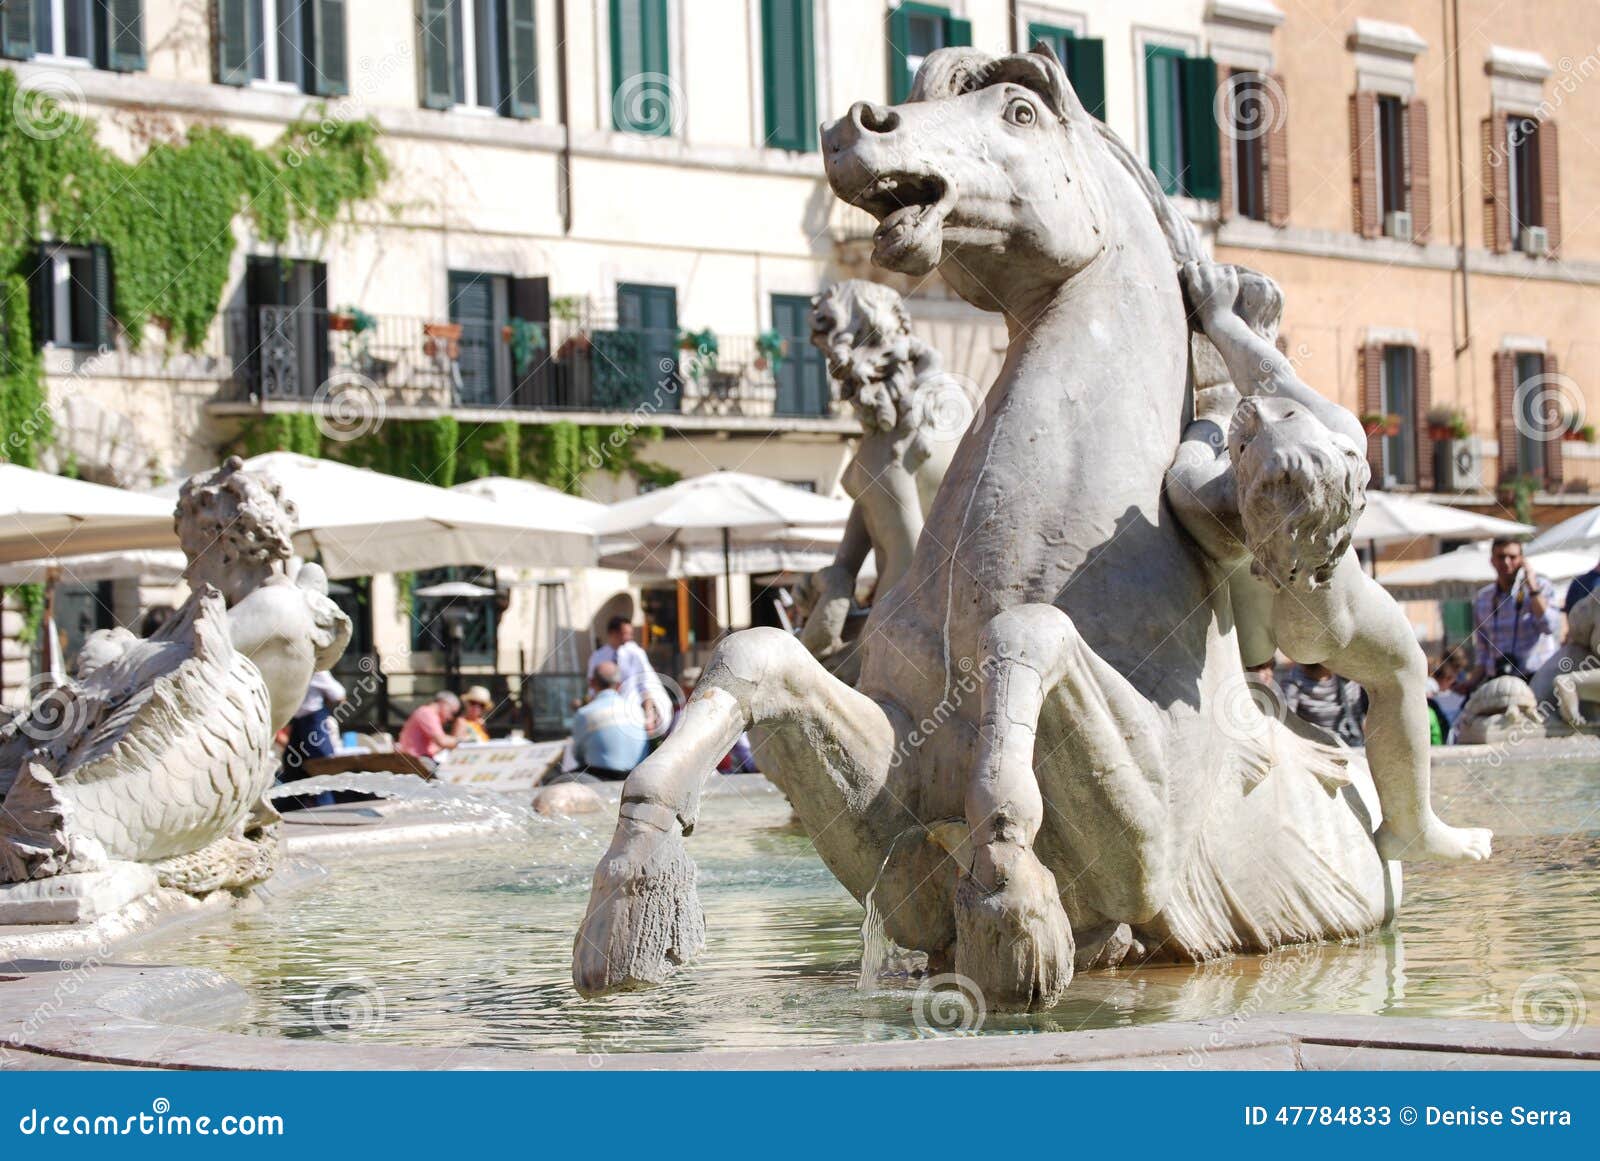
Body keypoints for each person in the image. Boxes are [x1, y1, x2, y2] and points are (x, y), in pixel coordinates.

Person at [1171, 259, 1489, 863]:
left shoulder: (1209, 500)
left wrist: (1210, 411)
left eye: (1255, 433)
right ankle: (1410, 823)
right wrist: (1230, 330)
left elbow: (1200, 444)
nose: (1263, 411)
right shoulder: (1344, 436)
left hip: (1246, 627)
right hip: (1329, 608)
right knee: (1401, 670)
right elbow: (1274, 378)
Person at [1470, 538, 1560, 685]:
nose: (1506, 562)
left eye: (1512, 557)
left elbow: (1549, 627)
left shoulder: (1540, 587)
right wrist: (1470, 682)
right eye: (1501, 557)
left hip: (1537, 677)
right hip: (1499, 680)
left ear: (1522, 560)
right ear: (1492, 561)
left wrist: (1533, 589)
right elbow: (1482, 651)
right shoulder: (1483, 598)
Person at [586, 615, 669, 733]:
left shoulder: (636, 653)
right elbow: (592, 688)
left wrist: (649, 716)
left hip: (632, 716)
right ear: (613, 633)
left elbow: (646, 685)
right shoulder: (597, 657)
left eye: (631, 633)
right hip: (606, 717)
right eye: (626, 633)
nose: (630, 637)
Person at [277, 669, 346, 810]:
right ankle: (292, 807)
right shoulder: (308, 668)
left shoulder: (316, 670)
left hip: (312, 720)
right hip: (302, 721)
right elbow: (338, 695)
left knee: (320, 765)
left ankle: (325, 807)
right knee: (294, 766)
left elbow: (338, 694)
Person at [570, 662, 649, 780]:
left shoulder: (584, 714)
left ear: (591, 682)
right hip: (638, 777)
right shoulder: (636, 709)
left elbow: (578, 756)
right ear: (619, 685)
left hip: (602, 779)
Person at [675, 666, 757, 774]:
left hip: (720, 772)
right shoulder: (682, 715)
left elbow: (742, 749)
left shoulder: (728, 712)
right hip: (702, 775)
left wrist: (754, 766)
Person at [1282, 662, 1366, 748]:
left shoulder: (1346, 675)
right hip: (1317, 746)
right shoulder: (1293, 680)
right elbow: (1287, 722)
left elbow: (1357, 714)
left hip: (1353, 743)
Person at [397, 691, 462, 758]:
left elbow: (437, 746)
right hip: (416, 760)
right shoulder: (427, 713)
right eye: (452, 712)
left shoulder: (427, 712)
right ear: (444, 703)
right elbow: (442, 741)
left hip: (416, 758)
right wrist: (462, 741)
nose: (450, 718)